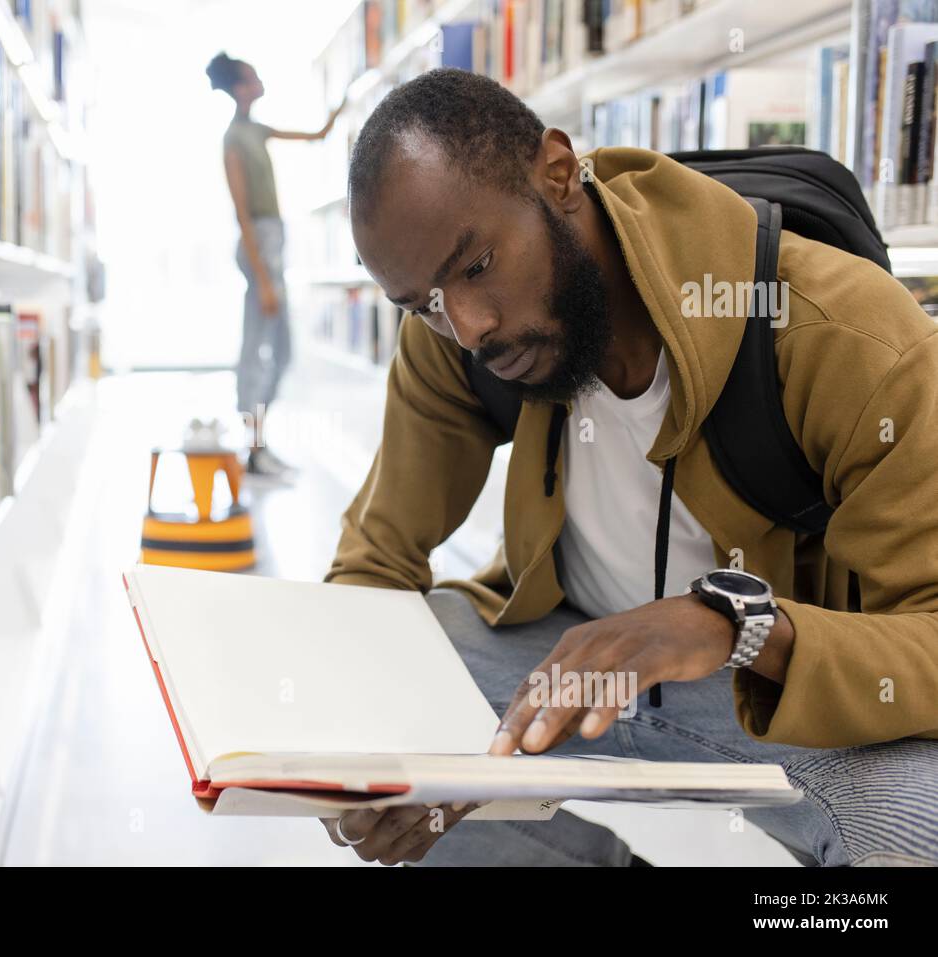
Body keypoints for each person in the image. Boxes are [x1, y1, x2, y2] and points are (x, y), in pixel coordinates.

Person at [321, 68, 938, 866]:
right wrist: (354, 756)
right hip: (565, 659)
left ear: (556, 171)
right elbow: (374, 563)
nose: (468, 327)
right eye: (423, 304)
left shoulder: (843, 336)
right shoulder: (456, 340)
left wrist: (736, 625)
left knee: (919, 827)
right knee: (397, 710)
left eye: (476, 266)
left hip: (772, 679)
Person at [205, 52, 344, 476]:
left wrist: (339, 109)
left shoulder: (256, 130)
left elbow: (317, 134)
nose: (260, 80)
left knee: (282, 350)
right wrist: (263, 280)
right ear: (240, 87)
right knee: (257, 350)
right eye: (253, 76)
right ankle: (254, 447)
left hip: (273, 244)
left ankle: (258, 443)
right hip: (258, 249)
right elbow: (242, 216)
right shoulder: (233, 140)